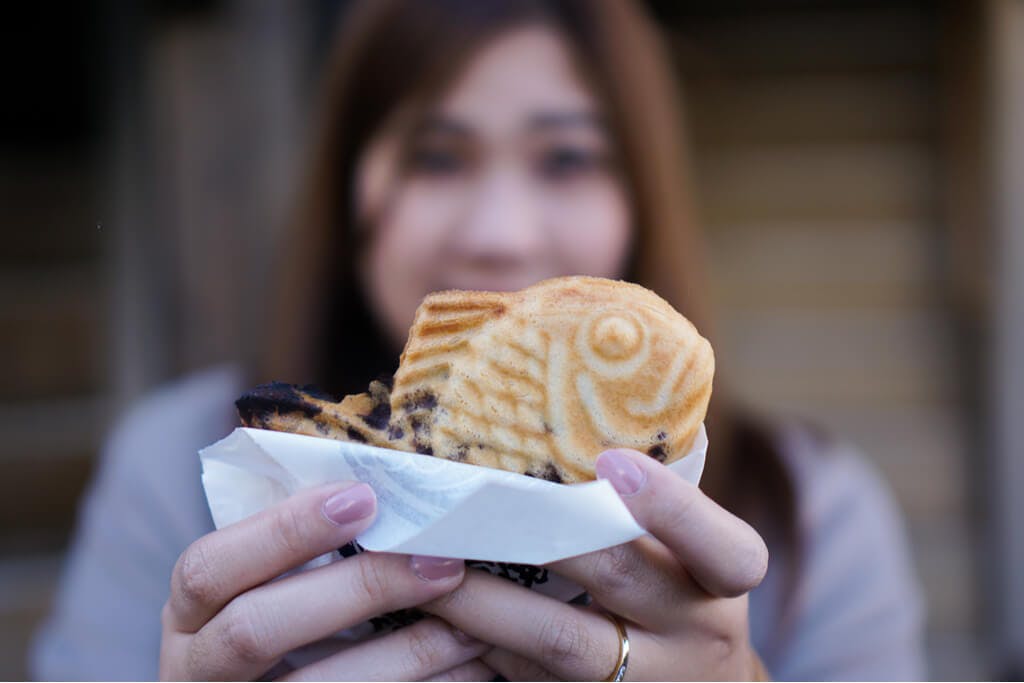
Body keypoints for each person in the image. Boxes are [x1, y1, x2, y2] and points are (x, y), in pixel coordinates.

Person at [32, 0, 925, 680]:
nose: (499, 232)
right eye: (437, 155)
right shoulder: (182, 472)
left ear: (639, 197)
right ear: (352, 191)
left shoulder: (813, 514)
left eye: (566, 158)